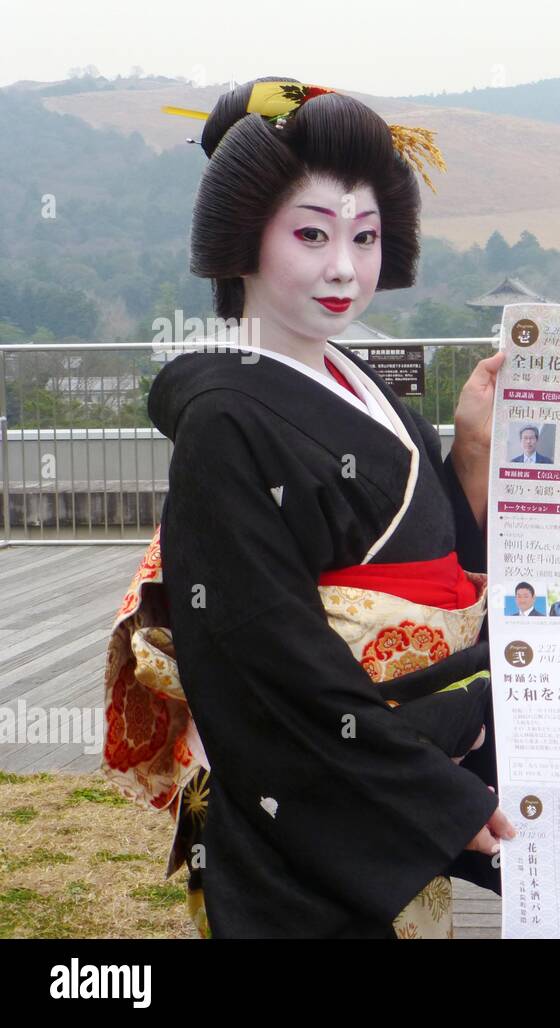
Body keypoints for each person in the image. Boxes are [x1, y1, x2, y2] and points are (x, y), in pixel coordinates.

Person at [101, 78, 515, 938]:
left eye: (365, 237)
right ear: (243, 239)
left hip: (399, 749)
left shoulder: (369, 390)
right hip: (299, 789)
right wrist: (428, 793)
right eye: (313, 234)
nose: (344, 268)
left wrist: (470, 449)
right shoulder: (224, 417)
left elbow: (440, 562)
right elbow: (259, 652)